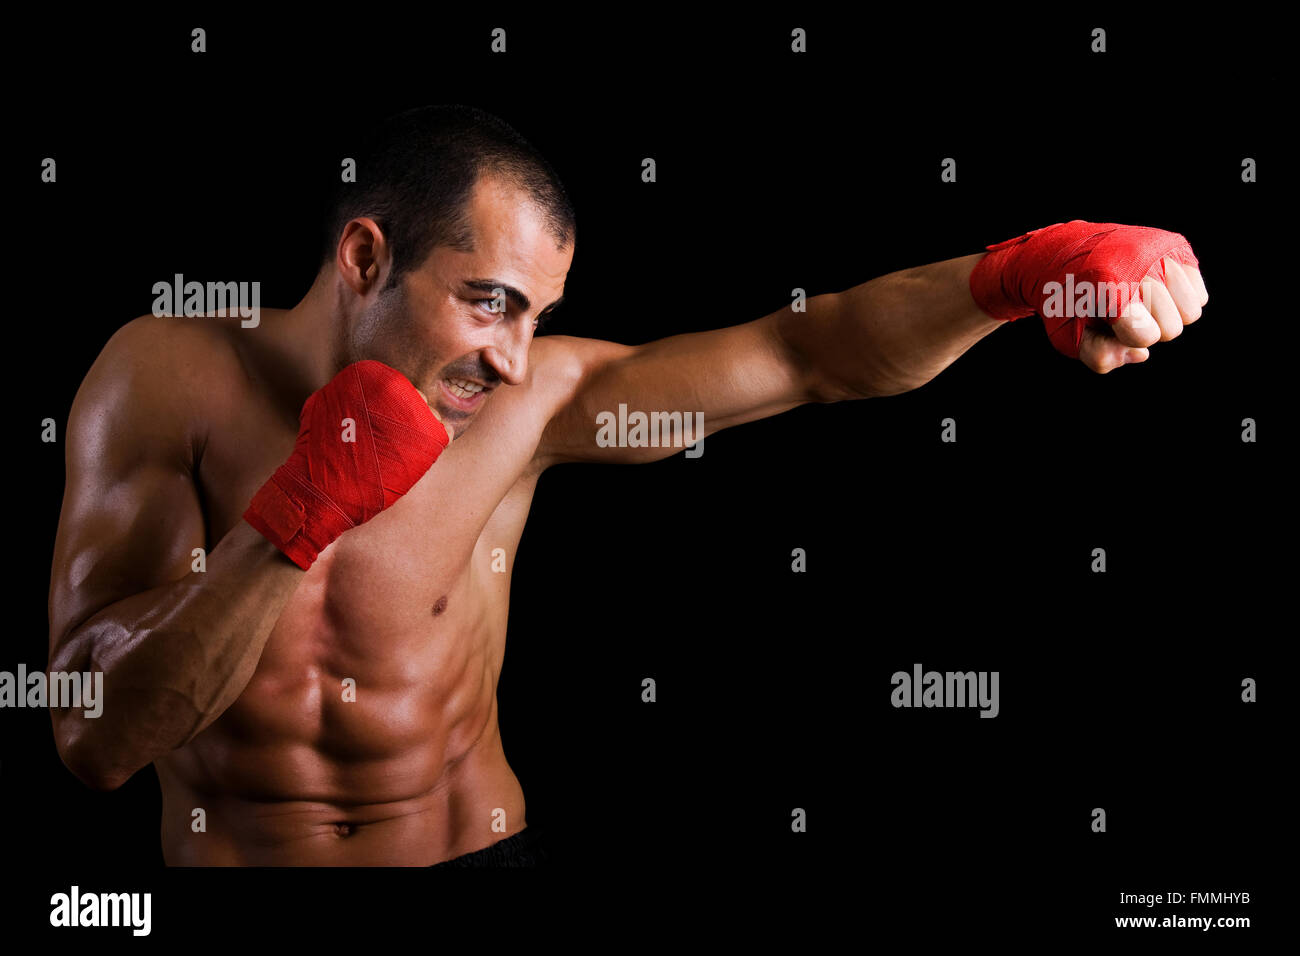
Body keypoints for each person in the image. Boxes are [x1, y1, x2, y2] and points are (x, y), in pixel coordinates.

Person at [46, 105, 1208, 866]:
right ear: (363, 259)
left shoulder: (527, 401)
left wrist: (1016, 274)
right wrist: (292, 521)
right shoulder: (167, 376)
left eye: (536, 317)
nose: (509, 354)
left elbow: (809, 353)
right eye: (489, 298)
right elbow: (93, 741)